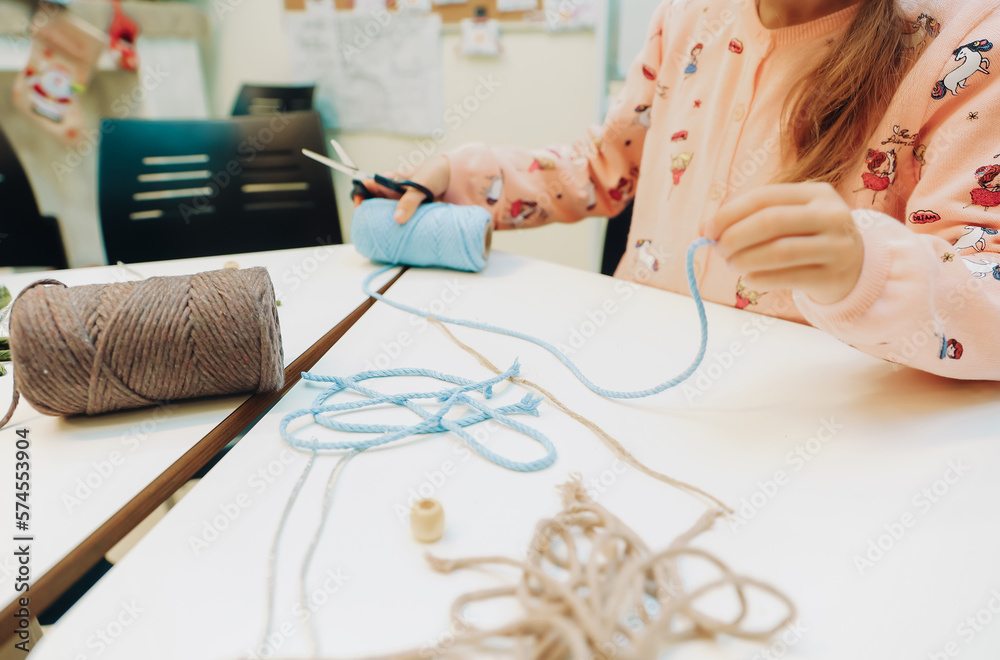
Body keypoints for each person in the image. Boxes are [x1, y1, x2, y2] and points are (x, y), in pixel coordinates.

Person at [357, 0, 1000, 380]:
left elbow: (985, 287)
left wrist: (868, 272)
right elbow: (606, 162)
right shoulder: (690, 14)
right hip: (636, 376)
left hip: (814, 438)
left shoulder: (966, 43)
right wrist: (467, 179)